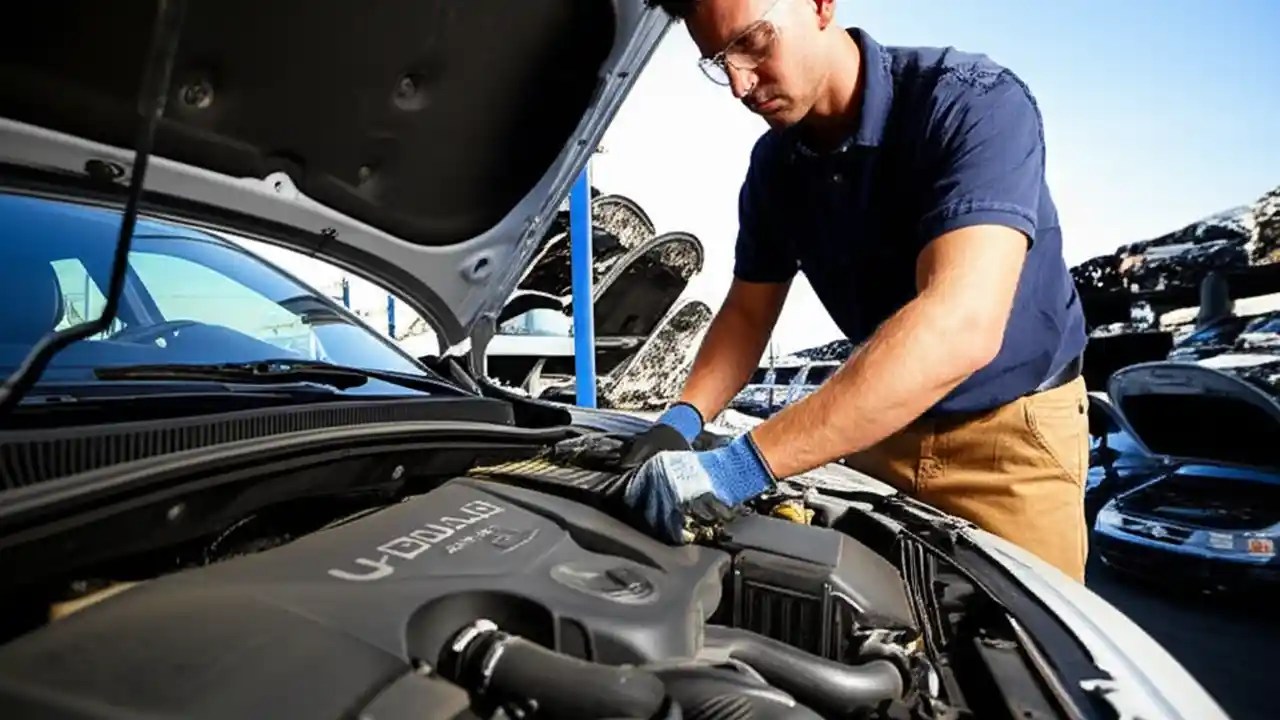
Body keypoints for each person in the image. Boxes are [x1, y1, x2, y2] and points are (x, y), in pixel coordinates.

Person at [616, 0, 1091, 582]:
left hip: (1009, 439)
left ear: (820, 5)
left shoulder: (974, 103)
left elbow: (960, 326)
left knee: (1020, 653)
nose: (739, 85)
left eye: (754, 43)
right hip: (874, 427)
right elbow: (746, 314)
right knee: (871, 625)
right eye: (719, 62)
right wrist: (683, 421)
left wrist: (742, 466)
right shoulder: (774, 167)